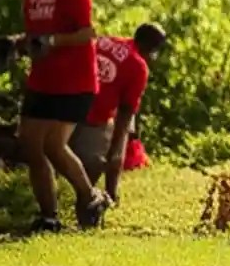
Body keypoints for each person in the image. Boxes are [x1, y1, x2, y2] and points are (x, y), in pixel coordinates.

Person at [1, 0, 109, 232]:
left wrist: (53, 41)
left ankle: (89, 197)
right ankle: (51, 217)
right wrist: (13, 45)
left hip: (75, 81)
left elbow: (88, 33)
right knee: (32, 145)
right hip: (43, 80)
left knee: (52, 145)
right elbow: (35, 39)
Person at [69, 23, 167, 205]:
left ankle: (105, 195)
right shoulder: (138, 67)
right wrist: (115, 151)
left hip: (68, 102)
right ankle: (96, 198)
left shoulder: (106, 41)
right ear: (152, 49)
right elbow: (126, 113)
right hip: (94, 118)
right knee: (96, 161)